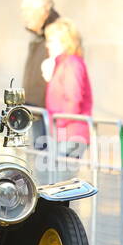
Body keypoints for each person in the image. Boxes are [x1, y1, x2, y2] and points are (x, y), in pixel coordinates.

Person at [42, 17, 93, 156]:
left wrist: (57, 124)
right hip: (62, 134)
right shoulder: (62, 64)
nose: (47, 45)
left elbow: (73, 100)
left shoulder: (72, 63)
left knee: (61, 177)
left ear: (65, 41)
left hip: (70, 134)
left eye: (51, 41)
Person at [20, 0, 60, 110]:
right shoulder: (38, 34)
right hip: (32, 107)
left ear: (42, 12)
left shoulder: (57, 34)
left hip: (45, 109)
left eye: (28, 11)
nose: (24, 16)